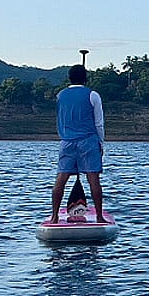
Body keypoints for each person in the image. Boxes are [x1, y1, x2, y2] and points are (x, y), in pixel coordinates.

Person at [49, 64, 107, 223]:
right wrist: (100, 143)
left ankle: (54, 217)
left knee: (61, 178)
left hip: (67, 141)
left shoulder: (60, 95)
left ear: (69, 78)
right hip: (88, 141)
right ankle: (100, 217)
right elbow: (99, 123)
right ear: (86, 78)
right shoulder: (93, 95)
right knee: (93, 178)